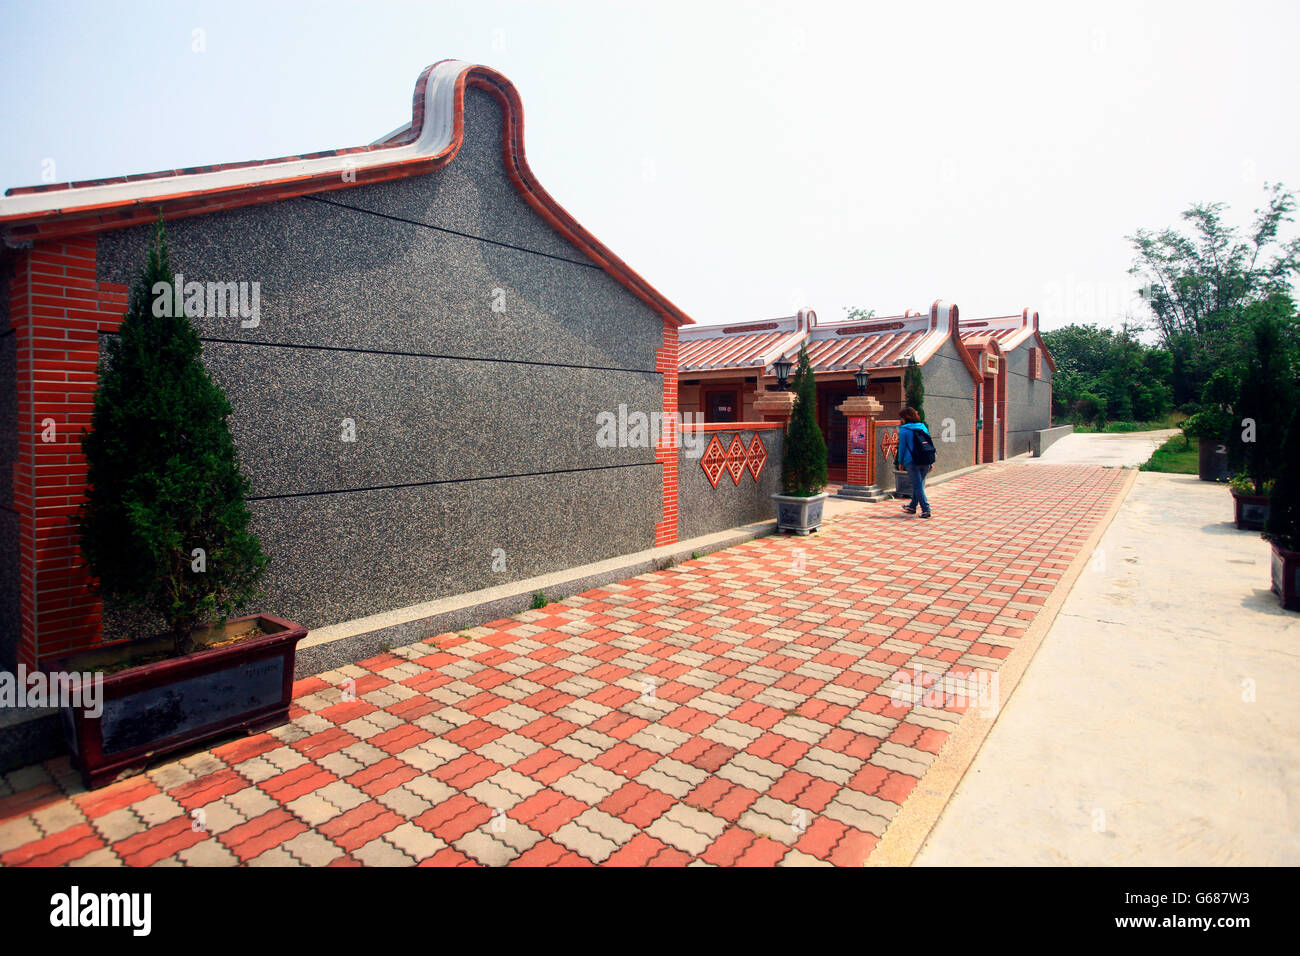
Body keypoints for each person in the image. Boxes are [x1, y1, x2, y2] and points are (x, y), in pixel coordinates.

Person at [897, 406, 932, 518]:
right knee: (919, 485)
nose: (901, 420)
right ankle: (912, 506)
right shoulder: (923, 427)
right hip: (926, 460)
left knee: (917, 486)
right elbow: (929, 444)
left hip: (912, 461)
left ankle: (926, 509)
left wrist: (900, 462)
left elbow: (901, 448)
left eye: (901, 418)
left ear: (906, 417)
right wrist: (931, 462)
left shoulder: (904, 430)